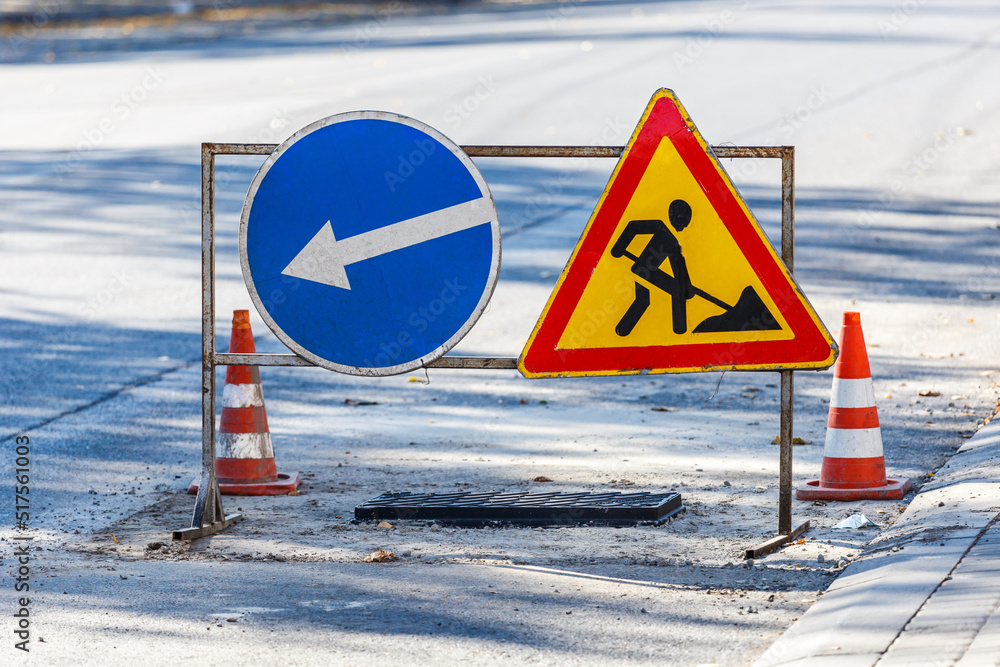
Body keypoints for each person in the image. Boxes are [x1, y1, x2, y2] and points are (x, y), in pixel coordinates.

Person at [609, 199, 694, 336]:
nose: (683, 227)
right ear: (674, 216)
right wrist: (618, 248)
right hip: (643, 269)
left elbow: (679, 269)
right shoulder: (662, 231)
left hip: (647, 272)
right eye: (683, 222)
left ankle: (623, 330)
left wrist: (687, 289)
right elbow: (633, 227)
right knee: (673, 290)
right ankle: (679, 328)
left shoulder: (673, 244)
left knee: (645, 299)